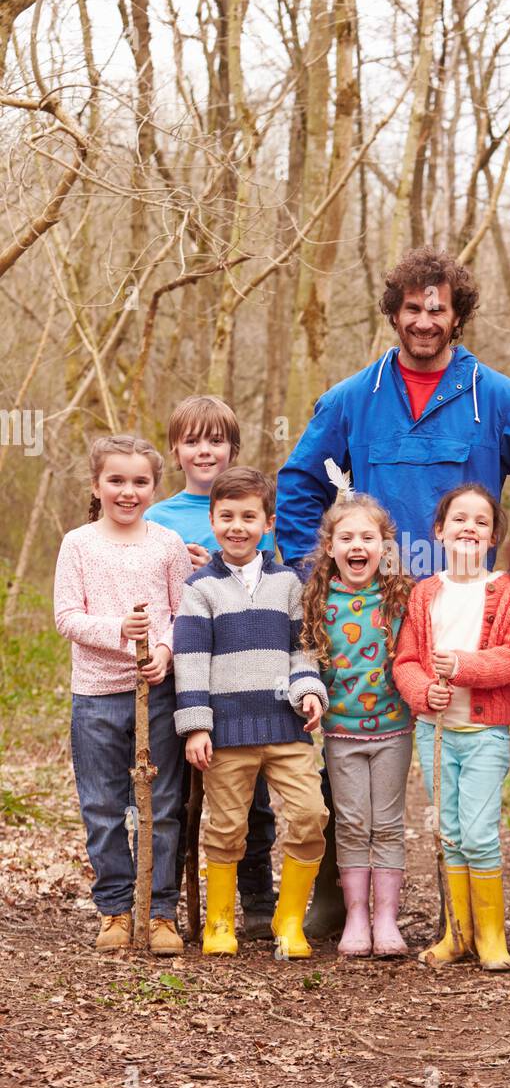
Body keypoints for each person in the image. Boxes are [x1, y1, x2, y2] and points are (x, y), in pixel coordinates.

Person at [277, 246, 510, 937]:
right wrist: (307, 572)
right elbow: (297, 486)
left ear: (457, 314)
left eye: (438, 308)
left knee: (457, 750)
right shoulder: (355, 396)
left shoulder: (494, 395)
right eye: (413, 308)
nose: (425, 320)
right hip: (366, 609)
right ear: (395, 313)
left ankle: (457, 908)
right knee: (346, 741)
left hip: (462, 610)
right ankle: (332, 890)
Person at [172, 467, 329, 958]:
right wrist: (196, 725)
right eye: (226, 516)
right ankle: (220, 922)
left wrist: (308, 689)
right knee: (226, 826)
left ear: (269, 523)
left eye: (248, 516)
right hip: (228, 733)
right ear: (212, 520)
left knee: (310, 815)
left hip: (286, 728)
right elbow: (191, 663)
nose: (236, 526)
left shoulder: (289, 584)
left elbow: (304, 648)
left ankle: (289, 920)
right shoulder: (200, 589)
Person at [145, 395, 278, 939]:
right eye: (193, 440)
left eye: (216, 440)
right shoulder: (158, 517)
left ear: (232, 448)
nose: (205, 450)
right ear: (175, 450)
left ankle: (257, 900)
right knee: (175, 794)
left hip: (246, 675)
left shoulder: (252, 507)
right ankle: (164, 906)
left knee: (256, 796)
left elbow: (273, 582)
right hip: (182, 671)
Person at [54, 434, 190, 955]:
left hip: (156, 691)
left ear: (155, 487)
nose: (127, 491)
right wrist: (119, 630)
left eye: (139, 481)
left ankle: (159, 912)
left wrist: (163, 649)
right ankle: (115, 909)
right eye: (116, 480)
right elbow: (66, 616)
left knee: (162, 804)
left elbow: (183, 614)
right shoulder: (78, 543)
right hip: (95, 694)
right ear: (97, 484)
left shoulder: (167, 544)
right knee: (102, 803)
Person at [393, 484, 510, 972]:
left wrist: (466, 666)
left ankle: (493, 937)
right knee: (449, 833)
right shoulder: (425, 593)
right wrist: (422, 692)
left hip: (484, 733)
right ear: (439, 531)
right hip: (436, 733)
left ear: (493, 535)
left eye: (481, 521)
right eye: (459, 519)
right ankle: (458, 933)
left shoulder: (505, 590)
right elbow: (406, 659)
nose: (469, 527)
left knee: (479, 834)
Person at [301, 492, 414, 957]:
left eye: (368, 537)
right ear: (330, 547)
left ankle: (387, 919)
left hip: (393, 729)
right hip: (341, 733)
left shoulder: (401, 597)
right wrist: (308, 692)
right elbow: (306, 656)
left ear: (384, 546)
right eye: (346, 537)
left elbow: (416, 652)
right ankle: (355, 918)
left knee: (387, 823)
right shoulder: (318, 600)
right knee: (350, 824)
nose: (357, 545)